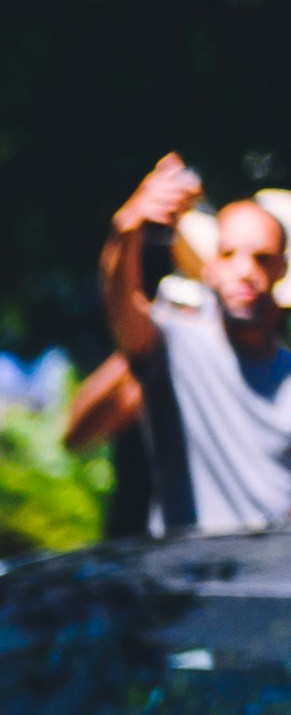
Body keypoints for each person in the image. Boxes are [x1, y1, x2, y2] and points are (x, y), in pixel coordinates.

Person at [103, 152, 291, 533]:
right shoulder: (172, 343)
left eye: (261, 258)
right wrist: (126, 230)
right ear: (209, 268)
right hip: (185, 581)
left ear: (280, 270)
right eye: (228, 254)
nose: (244, 271)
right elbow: (124, 309)